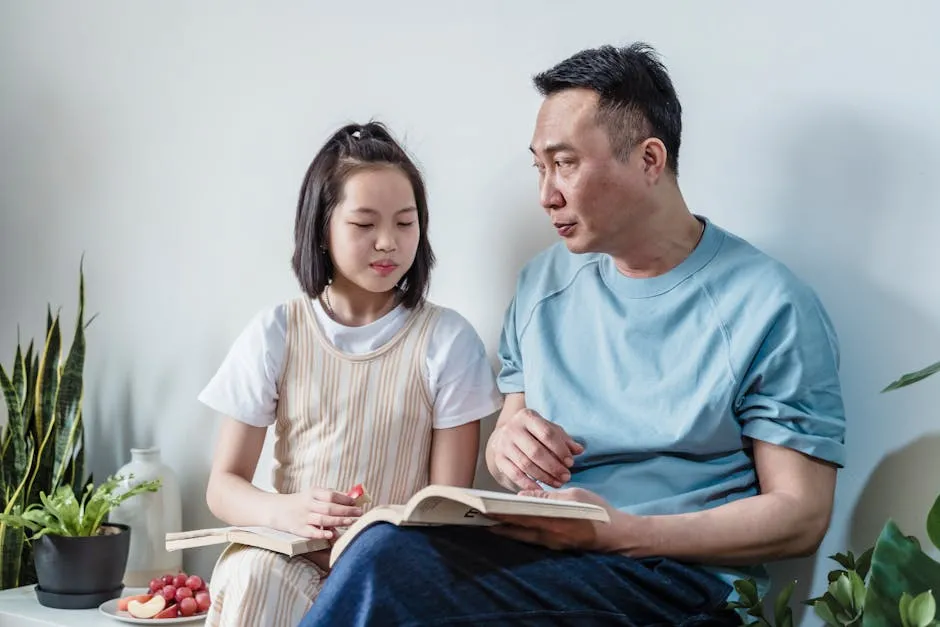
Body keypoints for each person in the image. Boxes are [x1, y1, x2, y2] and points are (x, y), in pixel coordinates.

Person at [298, 43, 847, 626]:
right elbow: (515, 429)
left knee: (388, 565)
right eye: (540, 166)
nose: (546, 194)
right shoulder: (541, 286)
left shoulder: (770, 304)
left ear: (649, 159)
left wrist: (623, 533)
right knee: (378, 542)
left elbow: (801, 516)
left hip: (680, 583)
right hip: (546, 560)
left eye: (565, 164)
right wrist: (507, 446)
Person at [196, 121, 503, 627]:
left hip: (390, 567)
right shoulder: (277, 332)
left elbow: (446, 514)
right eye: (364, 224)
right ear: (322, 227)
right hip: (284, 558)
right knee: (255, 579)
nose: (388, 242)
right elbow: (222, 487)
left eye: (405, 223)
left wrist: (365, 550)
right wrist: (286, 512)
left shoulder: (447, 340)